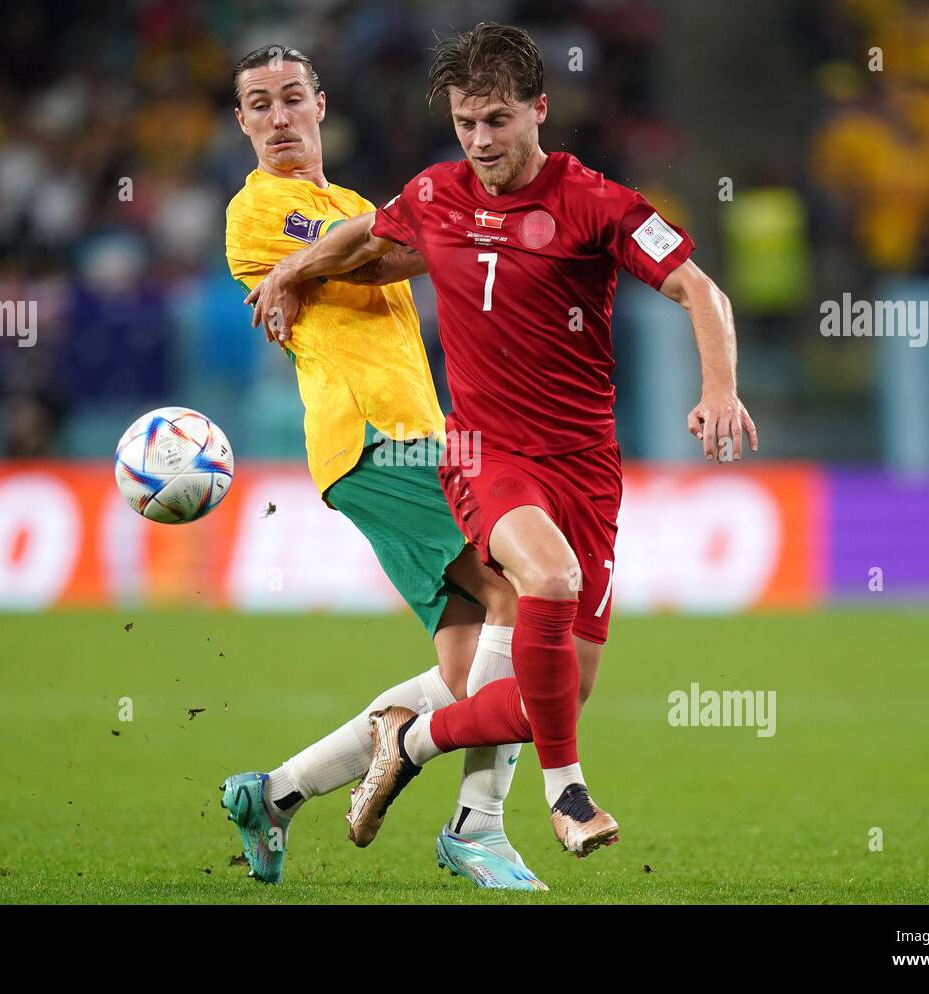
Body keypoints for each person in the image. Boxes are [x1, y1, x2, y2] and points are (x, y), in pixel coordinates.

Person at [248, 23, 758, 857]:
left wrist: (720, 389)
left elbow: (702, 292)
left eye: (495, 121)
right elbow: (367, 242)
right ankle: (567, 798)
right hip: (487, 456)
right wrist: (293, 270)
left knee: (555, 692)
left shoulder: (596, 203)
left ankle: (404, 740)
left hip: (586, 468)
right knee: (545, 579)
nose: (479, 142)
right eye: (465, 124)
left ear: (538, 111)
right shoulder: (437, 194)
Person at [218, 43, 545, 890]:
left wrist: (400, 236)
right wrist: (367, 243)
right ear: (244, 122)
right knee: (526, 590)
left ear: (322, 105)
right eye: (261, 104)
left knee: (468, 672)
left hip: (420, 441)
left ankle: (275, 793)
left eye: (293, 97)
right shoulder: (257, 212)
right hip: (374, 438)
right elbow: (383, 253)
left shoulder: (355, 202)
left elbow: (405, 249)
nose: (280, 116)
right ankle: (479, 829)